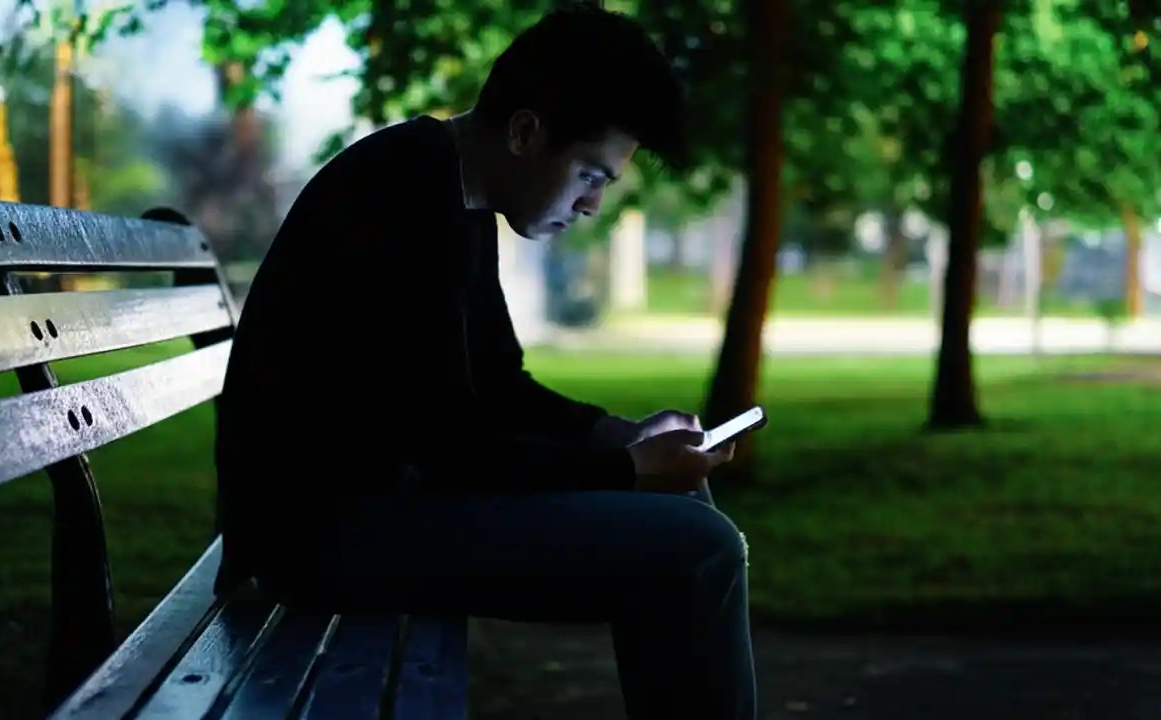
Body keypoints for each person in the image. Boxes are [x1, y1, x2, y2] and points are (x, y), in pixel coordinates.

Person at [213, 5, 756, 718]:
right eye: (589, 174)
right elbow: (447, 444)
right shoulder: (403, 195)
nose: (592, 204)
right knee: (700, 550)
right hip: (321, 537)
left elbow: (498, 387)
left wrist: (620, 435)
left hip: (371, 509)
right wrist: (625, 472)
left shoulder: (454, 189)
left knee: (687, 518)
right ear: (526, 132)